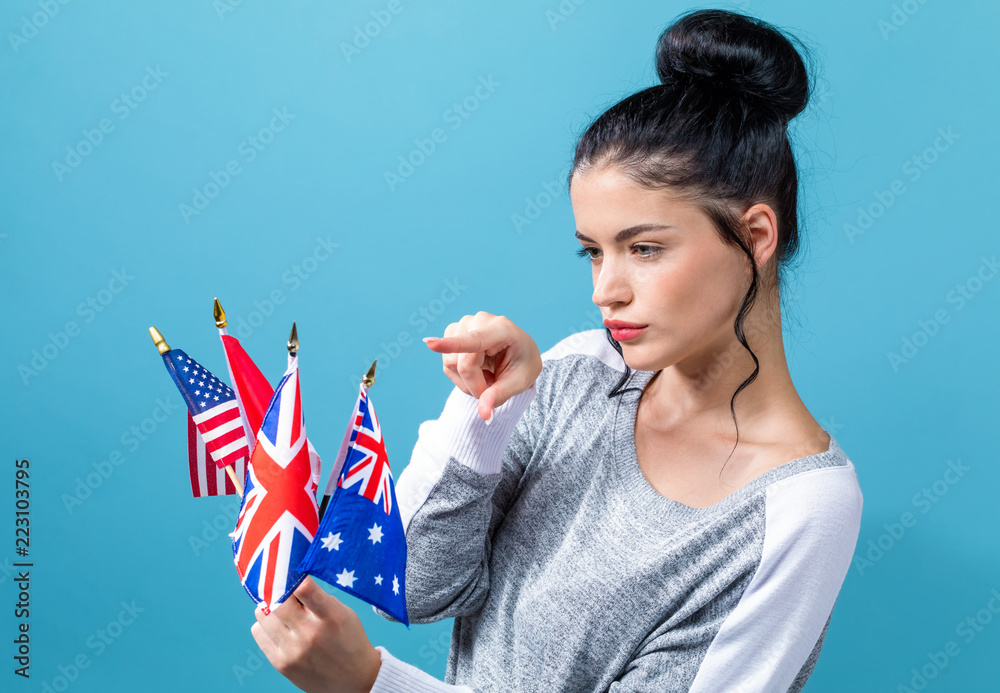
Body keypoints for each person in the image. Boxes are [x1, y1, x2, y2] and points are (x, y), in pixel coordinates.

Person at [249, 8, 864, 692]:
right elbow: (415, 583)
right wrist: (480, 410)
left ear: (754, 236)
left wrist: (371, 683)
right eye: (593, 252)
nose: (607, 290)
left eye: (645, 249)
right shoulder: (576, 373)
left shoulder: (801, 508)